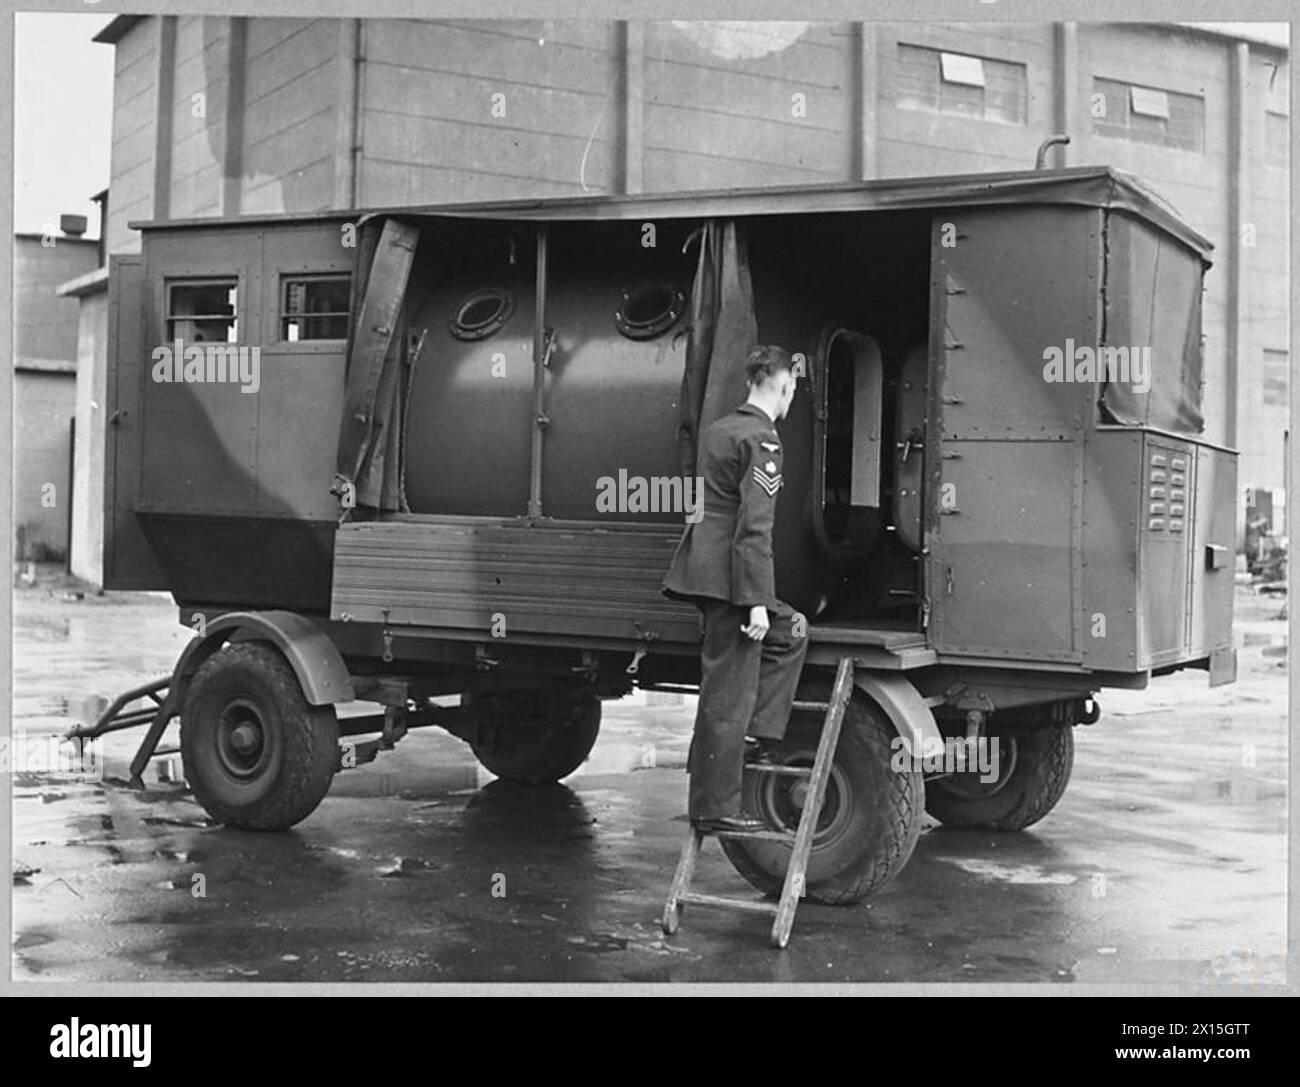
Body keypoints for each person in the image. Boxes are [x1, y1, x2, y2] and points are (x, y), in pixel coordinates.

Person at [663, 344, 808, 834]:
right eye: (792, 388)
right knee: (728, 692)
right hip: (730, 581)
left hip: (707, 572)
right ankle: (714, 808)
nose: (791, 398)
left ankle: (758, 734)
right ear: (782, 385)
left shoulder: (720, 430)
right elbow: (753, 529)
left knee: (792, 633)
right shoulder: (763, 441)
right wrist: (756, 603)